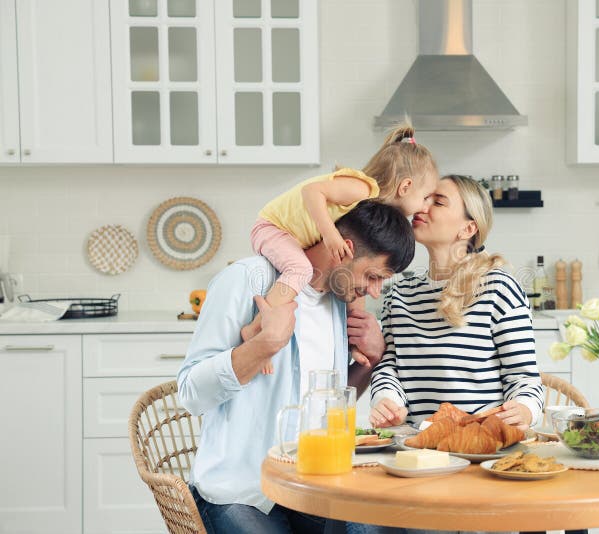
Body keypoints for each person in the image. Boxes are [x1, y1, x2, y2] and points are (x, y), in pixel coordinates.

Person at [177, 201, 416, 534]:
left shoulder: (336, 302)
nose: (374, 291)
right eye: (373, 276)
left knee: (385, 527)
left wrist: (370, 361)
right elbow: (190, 394)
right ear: (344, 250)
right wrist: (262, 345)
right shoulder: (247, 280)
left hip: (311, 487)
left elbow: (328, 401)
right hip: (241, 490)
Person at [243, 122, 439, 372]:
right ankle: (257, 330)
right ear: (406, 186)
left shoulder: (363, 216)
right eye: (425, 198)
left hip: (287, 236)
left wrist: (354, 344)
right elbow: (311, 191)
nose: (424, 208)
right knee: (300, 269)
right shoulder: (362, 188)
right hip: (273, 227)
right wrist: (330, 234)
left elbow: (355, 296)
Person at [369, 175, 544, 432]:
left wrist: (525, 408)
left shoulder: (498, 289)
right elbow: (390, 366)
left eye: (438, 202)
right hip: (417, 449)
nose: (421, 207)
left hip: (481, 446)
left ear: (468, 229)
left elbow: (524, 379)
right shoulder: (400, 293)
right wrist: (387, 400)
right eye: (425, 199)